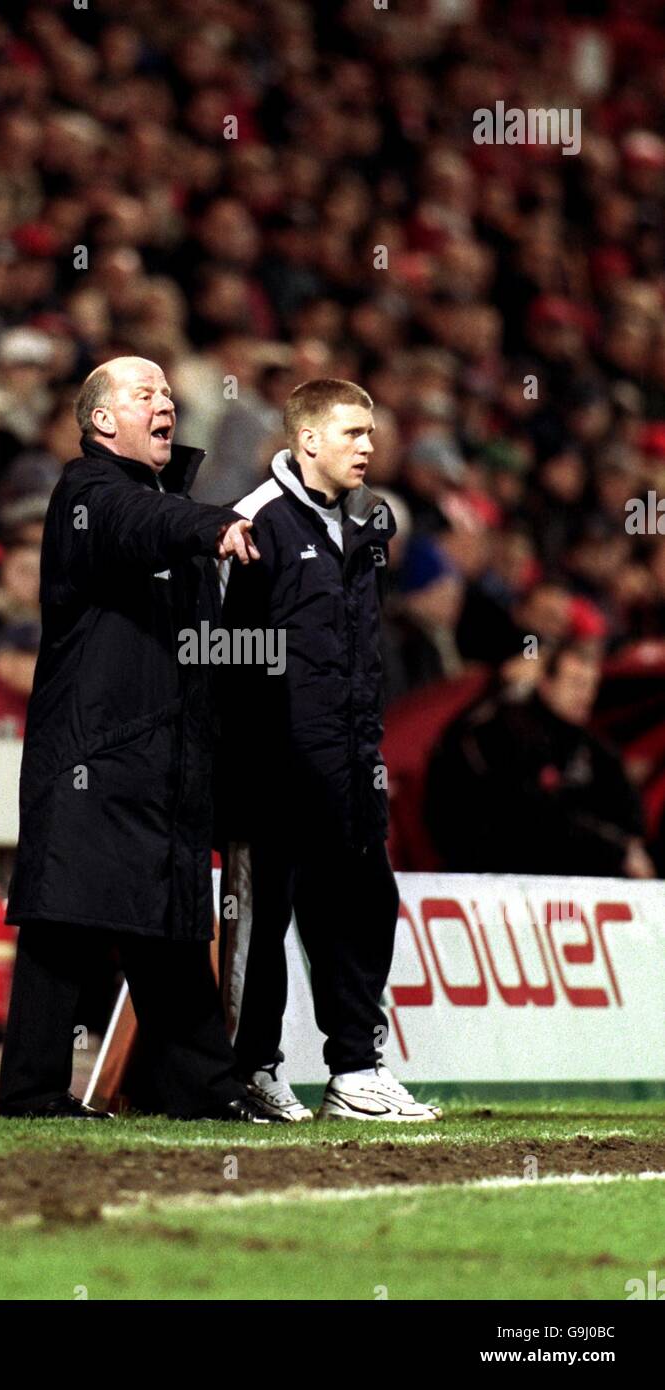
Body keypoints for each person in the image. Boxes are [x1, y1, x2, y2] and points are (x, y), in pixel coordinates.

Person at [0, 355, 278, 1121]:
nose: (164, 403)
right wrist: (213, 523)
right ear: (100, 421)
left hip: (162, 760)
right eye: (142, 393)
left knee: (170, 930)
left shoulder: (170, 512)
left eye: (166, 392)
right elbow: (139, 523)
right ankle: (32, 1093)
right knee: (64, 924)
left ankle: (202, 1089)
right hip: (92, 754)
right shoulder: (87, 494)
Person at [216, 379, 442, 1122]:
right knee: (262, 921)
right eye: (352, 434)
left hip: (349, 766)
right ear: (307, 440)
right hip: (273, 770)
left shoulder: (364, 526)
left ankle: (356, 1069)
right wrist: (253, 757)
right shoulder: (253, 526)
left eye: (371, 434)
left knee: (361, 910)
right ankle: (250, 1069)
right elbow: (224, 653)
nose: (368, 447)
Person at [424, 640, 656, 879]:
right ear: (545, 683)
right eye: (576, 683)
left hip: (573, 878)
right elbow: (532, 816)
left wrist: (623, 846)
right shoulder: (507, 729)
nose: (585, 694)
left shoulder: (594, 748)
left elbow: (632, 816)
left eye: (591, 685)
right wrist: (614, 849)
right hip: (500, 871)